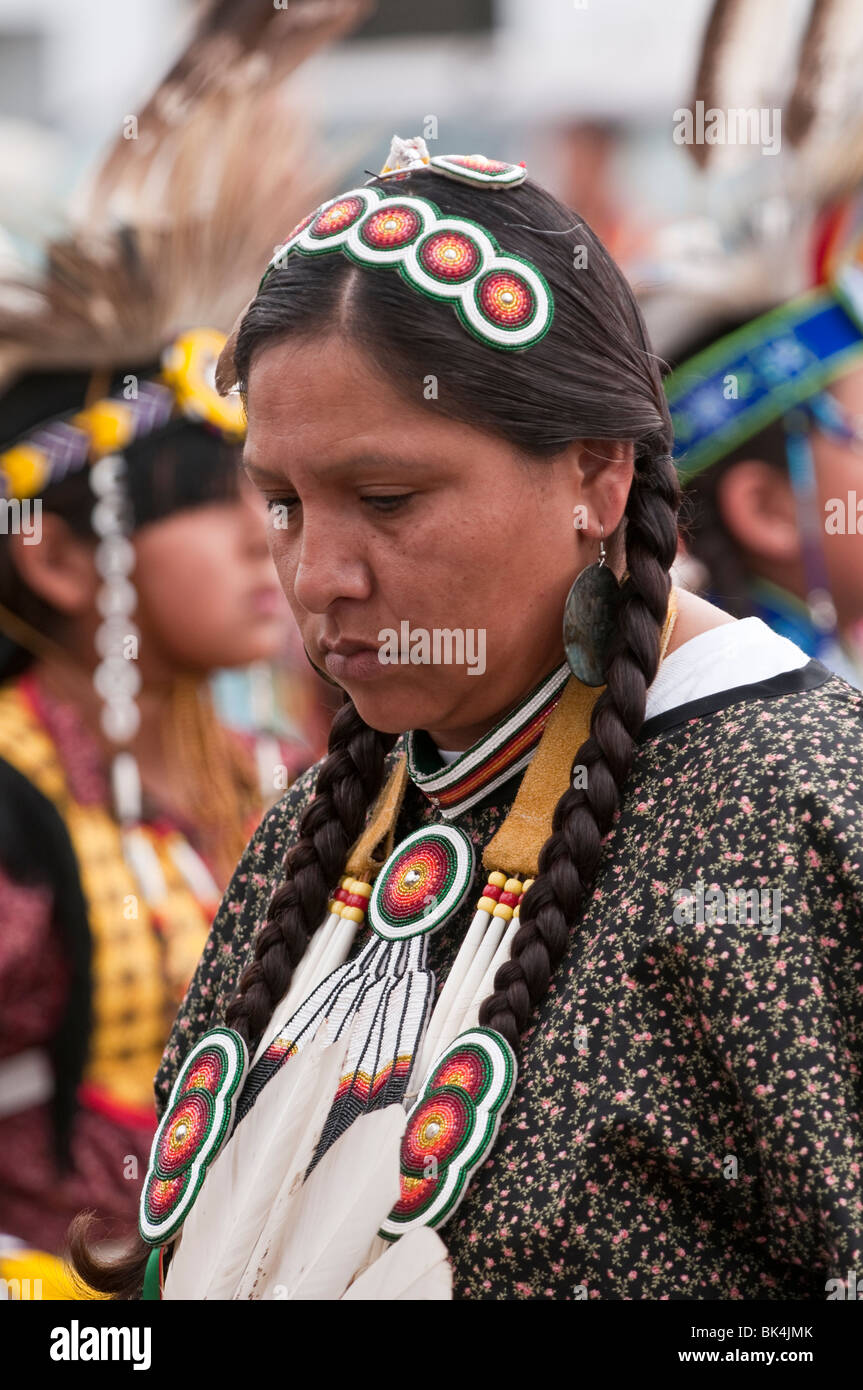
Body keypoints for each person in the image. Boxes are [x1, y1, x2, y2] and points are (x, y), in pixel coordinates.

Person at [73, 136, 863, 1302]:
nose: (318, 574)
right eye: (283, 504)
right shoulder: (319, 829)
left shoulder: (796, 810)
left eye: (386, 500)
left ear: (596, 480)